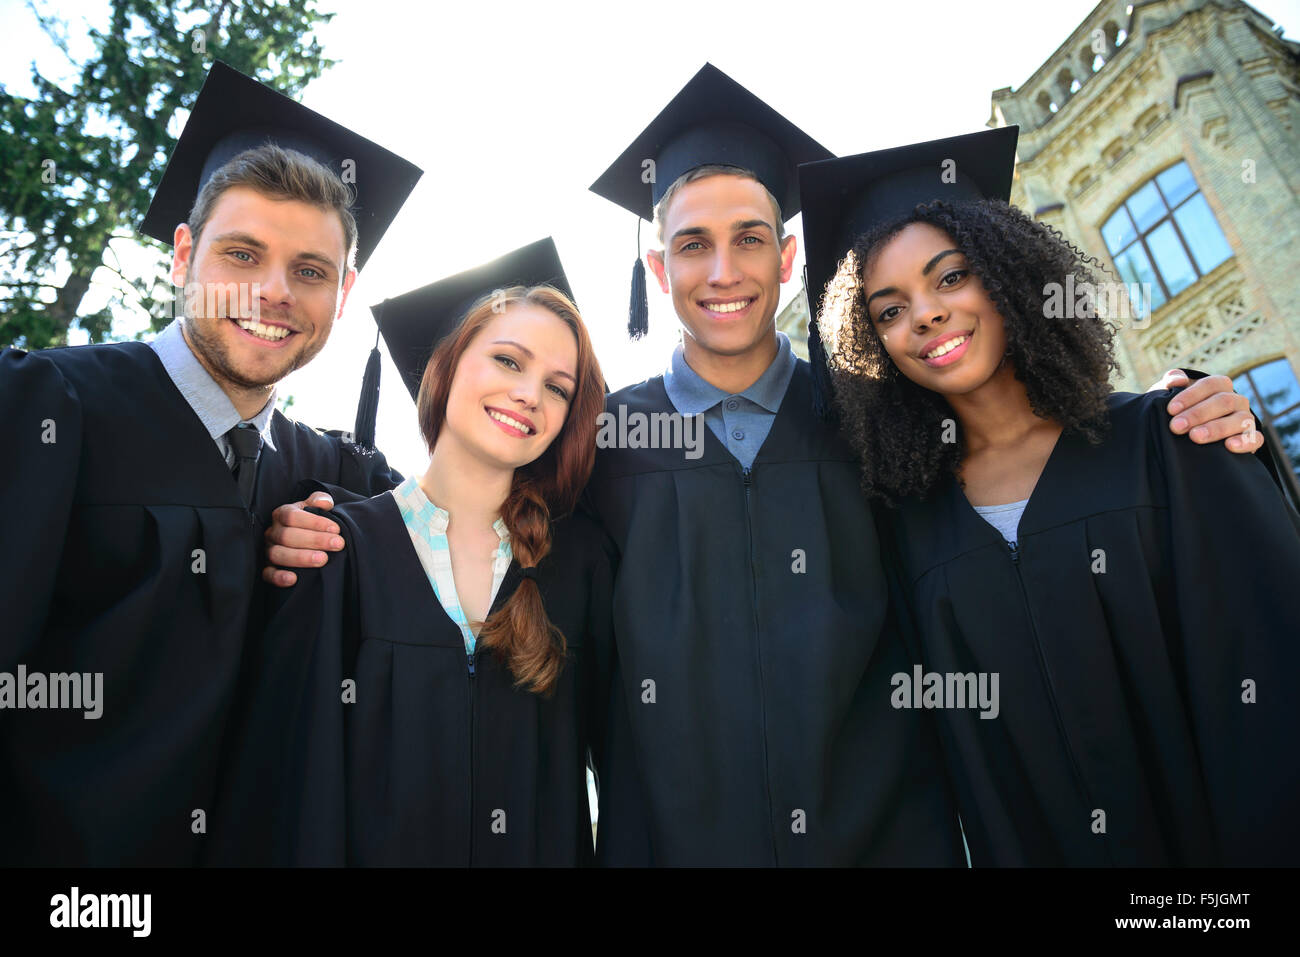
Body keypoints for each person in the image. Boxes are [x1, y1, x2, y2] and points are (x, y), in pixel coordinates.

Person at [267, 67, 1258, 865]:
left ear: (790, 262)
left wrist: (1188, 415)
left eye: (750, 239)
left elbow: (1020, 463)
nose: (723, 270)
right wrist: (347, 529)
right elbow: (487, 523)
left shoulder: (880, 419)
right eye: (690, 245)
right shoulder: (605, 441)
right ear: (657, 271)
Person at [802, 127, 1300, 865]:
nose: (926, 315)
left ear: (1008, 274)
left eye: (950, 276)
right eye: (888, 309)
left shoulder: (1168, 443)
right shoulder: (908, 528)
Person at [0, 61, 420, 866]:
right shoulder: (48, 408)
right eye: (242, 254)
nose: (273, 293)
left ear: (343, 290)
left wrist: (357, 550)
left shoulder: (338, 476)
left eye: (309, 271)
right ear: (182, 253)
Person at [211, 240, 614, 865]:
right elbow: (289, 790)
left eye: (558, 388)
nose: (531, 394)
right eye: (508, 361)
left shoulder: (579, 567)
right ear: (446, 367)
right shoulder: (337, 552)